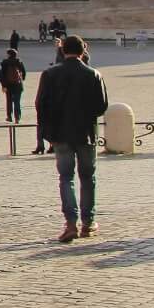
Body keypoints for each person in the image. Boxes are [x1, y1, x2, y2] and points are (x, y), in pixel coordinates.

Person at [35, 36, 109, 243]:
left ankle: (70, 223)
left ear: (62, 50)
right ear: (82, 51)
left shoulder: (49, 74)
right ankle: (88, 222)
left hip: (60, 134)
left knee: (65, 178)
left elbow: (41, 105)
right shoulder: (93, 74)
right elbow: (102, 106)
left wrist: (46, 134)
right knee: (87, 178)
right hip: (85, 133)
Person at [1, 48, 29, 134]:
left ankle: (9, 116)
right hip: (18, 85)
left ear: (9, 55)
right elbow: (24, 72)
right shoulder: (19, 61)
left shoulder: (5, 62)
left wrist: (3, 85)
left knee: (9, 101)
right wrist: (22, 79)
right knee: (17, 101)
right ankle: (17, 117)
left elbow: (2, 74)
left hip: (8, 85)